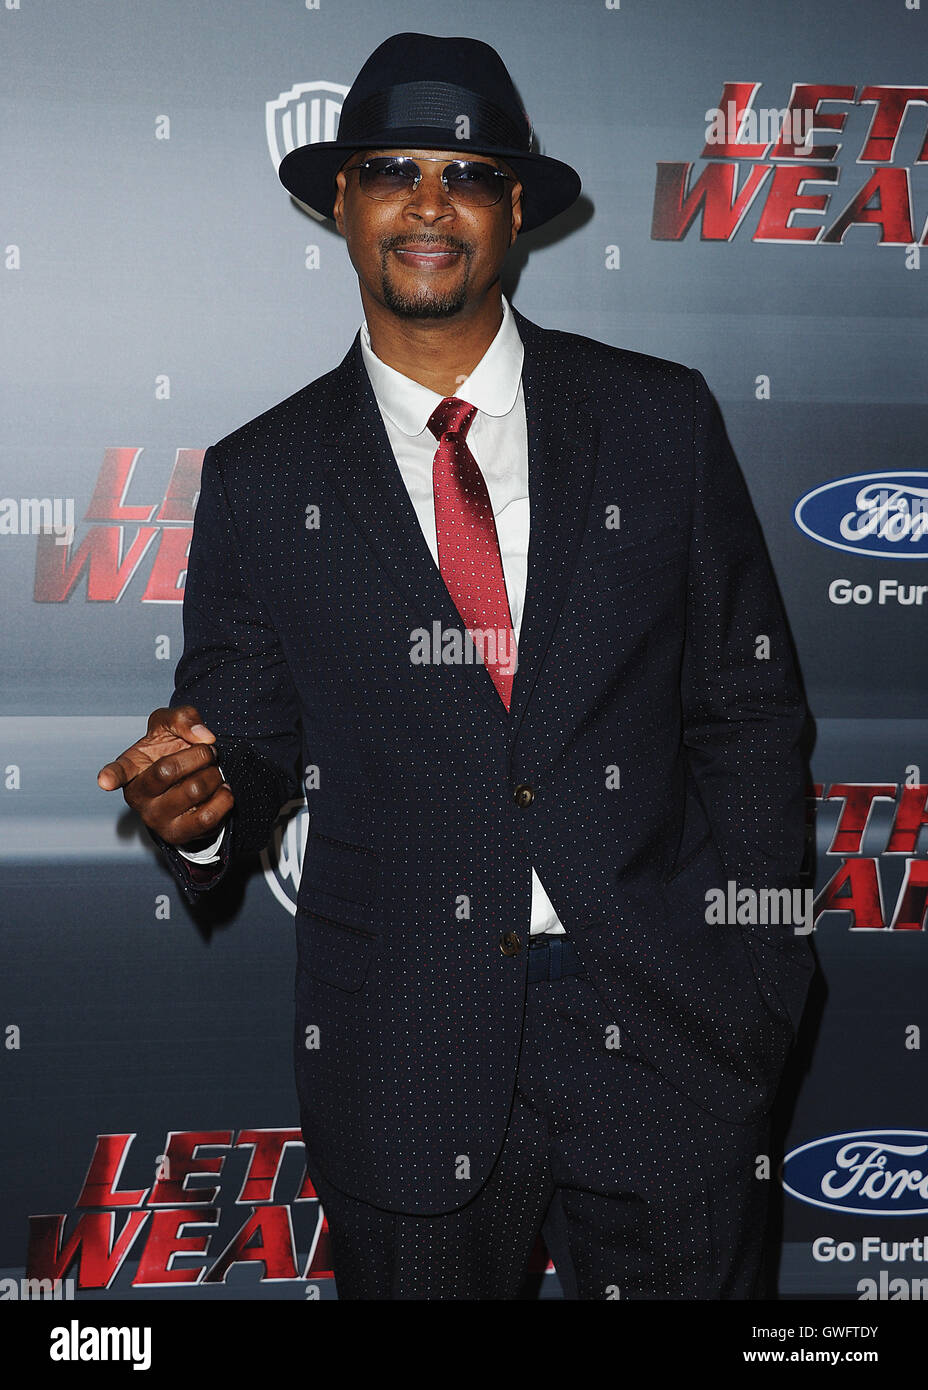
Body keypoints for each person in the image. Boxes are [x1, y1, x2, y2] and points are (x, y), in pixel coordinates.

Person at [97, 32, 814, 1300]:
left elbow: (745, 706)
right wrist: (202, 810)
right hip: (403, 1042)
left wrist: (759, 970)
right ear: (341, 202)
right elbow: (242, 745)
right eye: (391, 168)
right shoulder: (263, 479)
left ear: (514, 208)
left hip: (664, 1025)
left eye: (465, 172)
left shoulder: (659, 420)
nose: (428, 201)